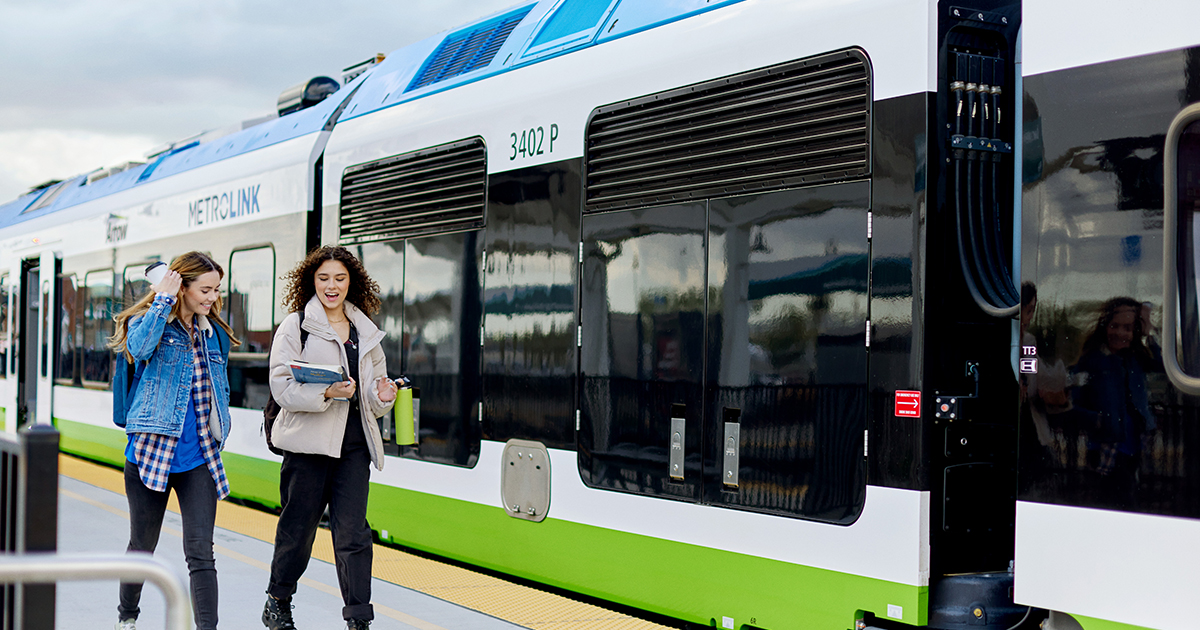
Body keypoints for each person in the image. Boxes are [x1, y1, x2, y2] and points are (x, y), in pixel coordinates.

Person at [262, 246, 397, 630]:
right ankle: (278, 600)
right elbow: (281, 387)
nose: (331, 286)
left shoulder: (365, 331)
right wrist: (326, 393)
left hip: (355, 448)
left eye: (339, 278)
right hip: (309, 448)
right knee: (298, 530)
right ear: (312, 282)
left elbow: (372, 391)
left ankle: (358, 619)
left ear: (352, 281)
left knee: (354, 535)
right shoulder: (296, 326)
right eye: (323, 278)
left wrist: (381, 397)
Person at [108, 251, 239, 630]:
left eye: (217, 290)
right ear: (181, 286)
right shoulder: (148, 323)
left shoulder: (212, 332)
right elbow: (140, 348)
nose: (212, 297)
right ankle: (127, 617)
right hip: (151, 451)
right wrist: (163, 299)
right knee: (142, 547)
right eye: (205, 289)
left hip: (199, 455)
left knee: (201, 553)